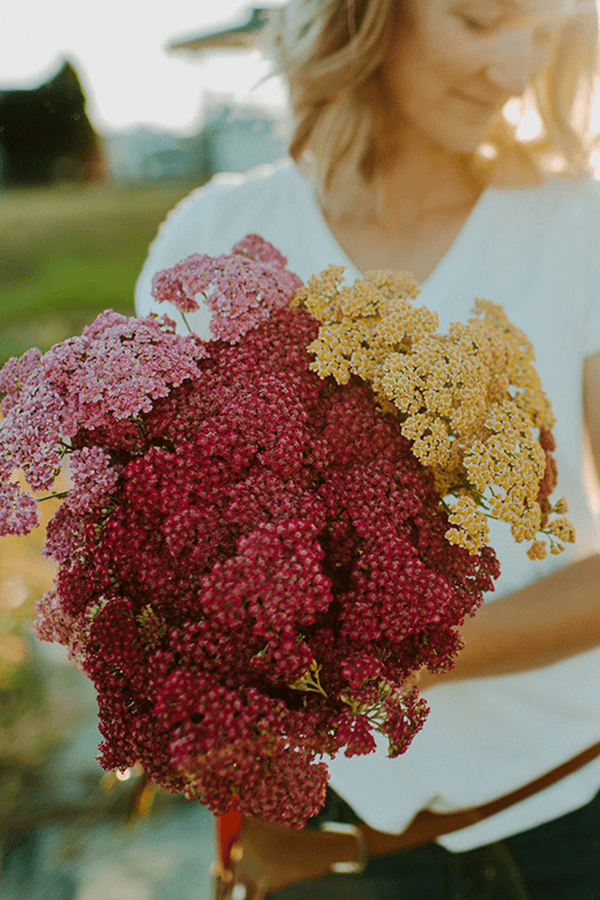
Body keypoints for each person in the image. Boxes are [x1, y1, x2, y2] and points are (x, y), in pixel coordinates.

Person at [134, 0, 600, 896]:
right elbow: (161, 546)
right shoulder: (210, 238)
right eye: (479, 20)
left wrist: (382, 645)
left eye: (542, 38)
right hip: (319, 844)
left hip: (567, 810)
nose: (512, 72)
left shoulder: (577, 228)